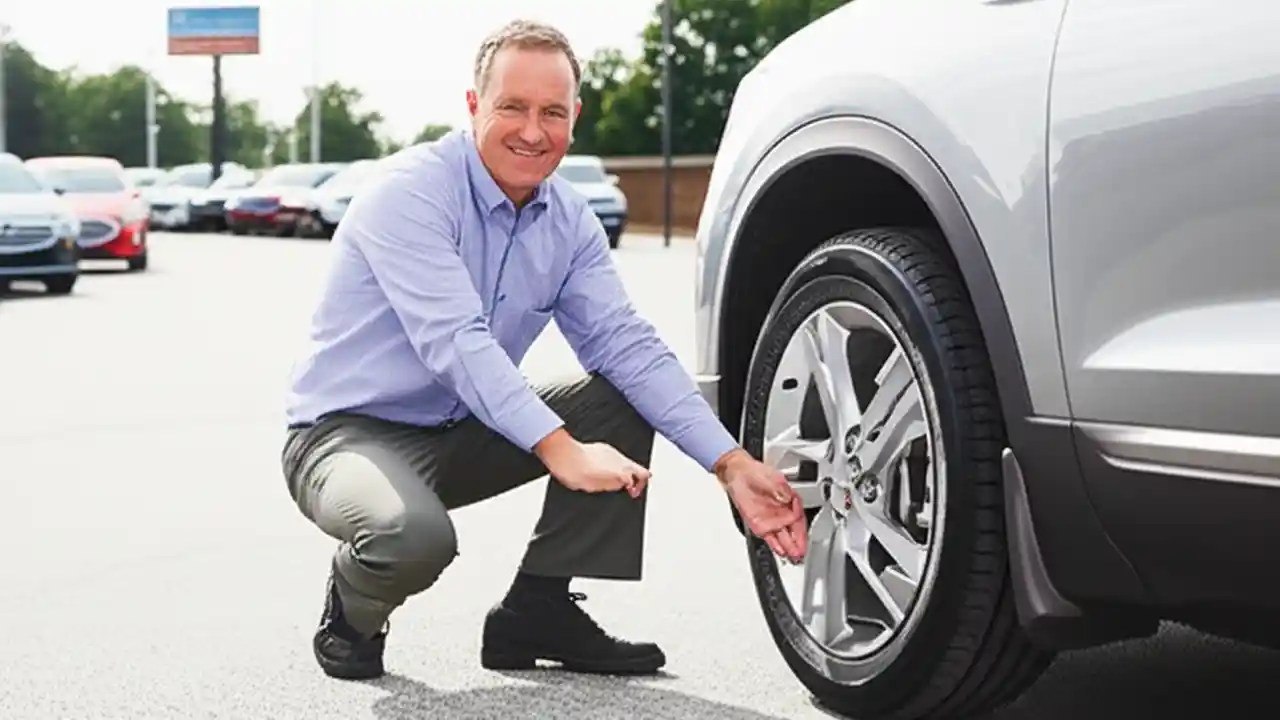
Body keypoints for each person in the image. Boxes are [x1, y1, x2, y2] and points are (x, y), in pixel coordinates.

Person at [280, 18, 808, 681]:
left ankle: (538, 609)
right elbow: (457, 343)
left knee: (620, 393)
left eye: (552, 112)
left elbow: (628, 346)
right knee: (411, 540)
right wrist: (561, 449)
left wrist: (730, 464)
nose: (533, 131)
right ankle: (353, 613)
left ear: (574, 117)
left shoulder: (569, 220)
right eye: (513, 108)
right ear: (474, 105)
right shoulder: (411, 192)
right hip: (348, 436)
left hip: (465, 429)